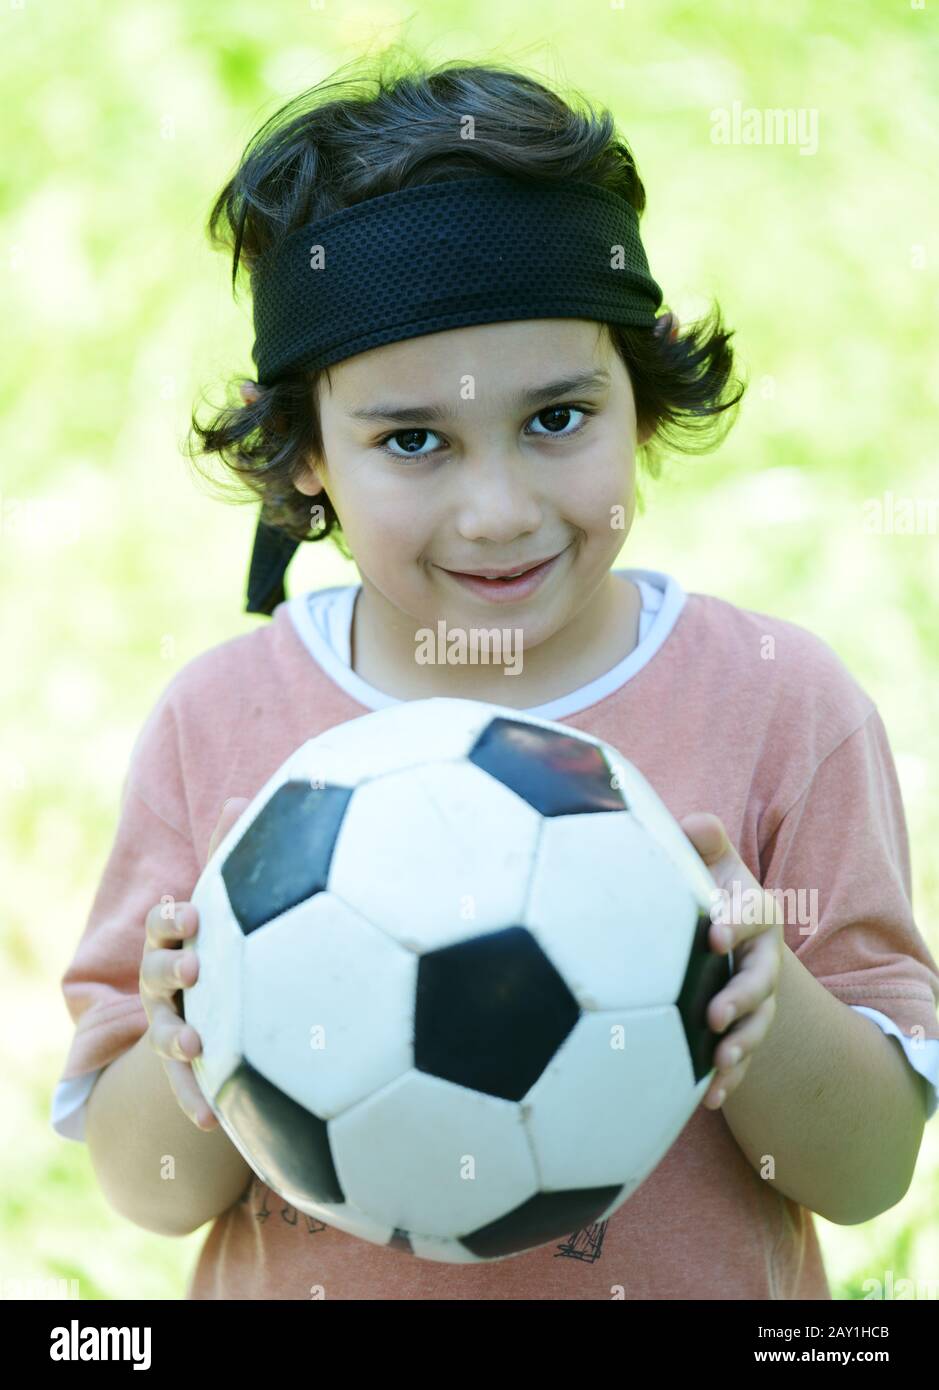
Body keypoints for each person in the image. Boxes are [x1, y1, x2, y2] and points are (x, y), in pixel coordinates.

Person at [51, 55, 939, 1300]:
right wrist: (183, 1031)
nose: (498, 510)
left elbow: (867, 1171)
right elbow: (147, 1193)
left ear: (642, 392)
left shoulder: (778, 705)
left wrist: (759, 990)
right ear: (306, 451)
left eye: (558, 418)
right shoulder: (226, 721)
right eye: (413, 440)